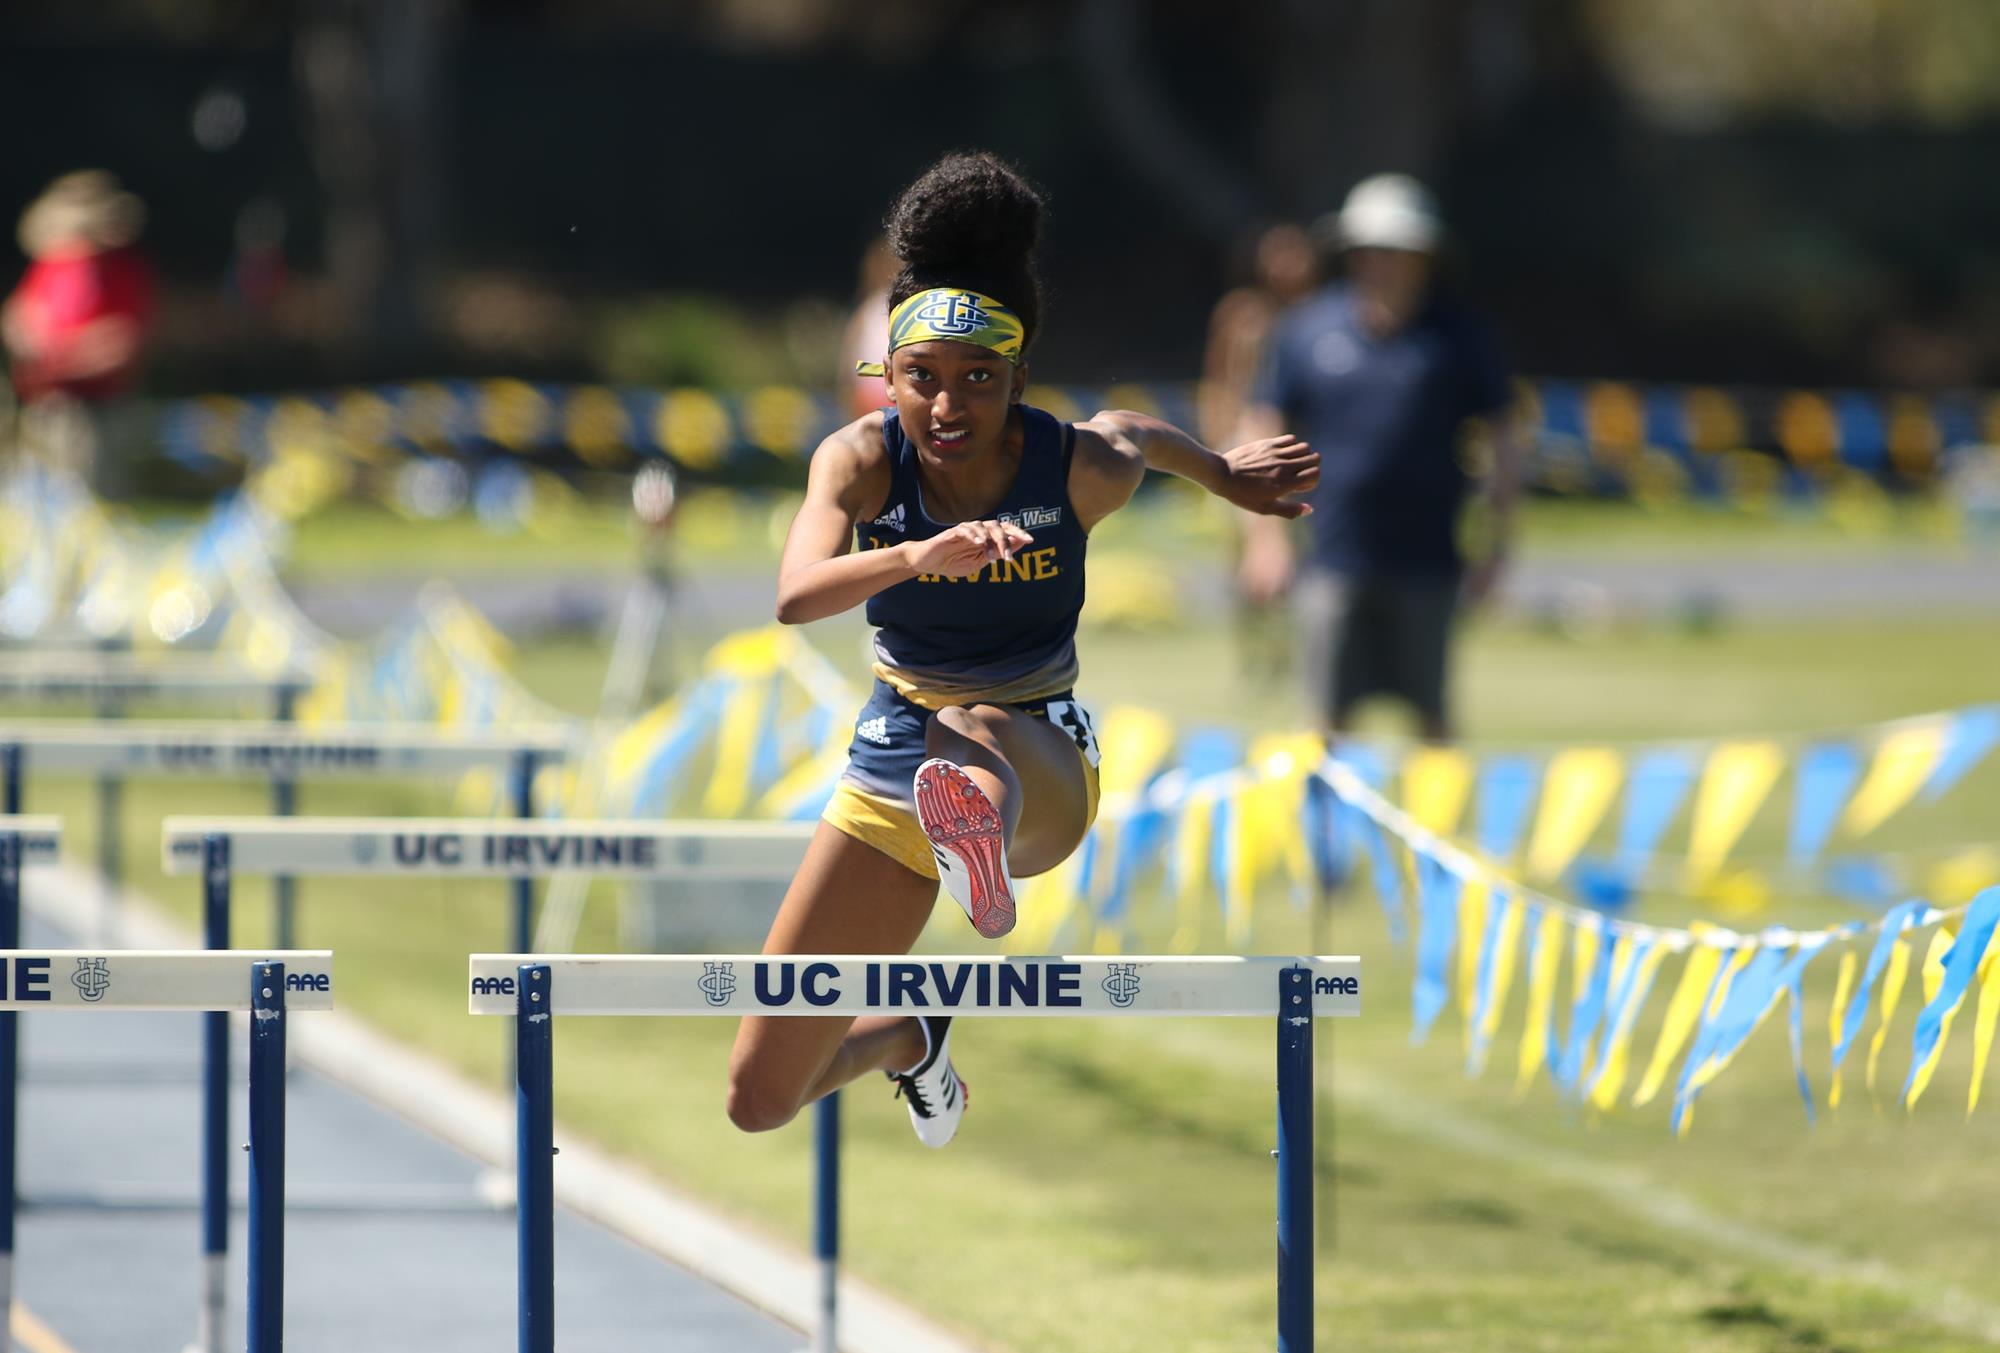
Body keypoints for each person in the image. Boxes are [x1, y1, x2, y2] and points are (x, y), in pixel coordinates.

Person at [727, 152, 1316, 1148]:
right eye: (920, 381)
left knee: (970, 722)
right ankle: (909, 1037)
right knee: (758, 1099)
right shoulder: (861, 461)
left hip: (1036, 757)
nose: (947, 408)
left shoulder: (1072, 467)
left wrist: (1228, 479)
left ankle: (974, 838)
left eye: (976, 382)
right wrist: (922, 553)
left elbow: (1136, 433)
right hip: (891, 760)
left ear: (1017, 380)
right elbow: (793, 594)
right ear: (888, 376)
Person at [1238, 173, 1521, 742]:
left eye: (1396, 251)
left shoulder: (1459, 337)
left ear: (1425, 256)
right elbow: (1264, 427)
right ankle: (1323, 832)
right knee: (1324, 723)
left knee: (1433, 723)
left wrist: (1497, 545)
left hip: (1430, 561)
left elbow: (1505, 439)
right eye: (1368, 250)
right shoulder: (1306, 329)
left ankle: (1430, 830)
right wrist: (1263, 540)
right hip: (1332, 558)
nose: (1381, 264)